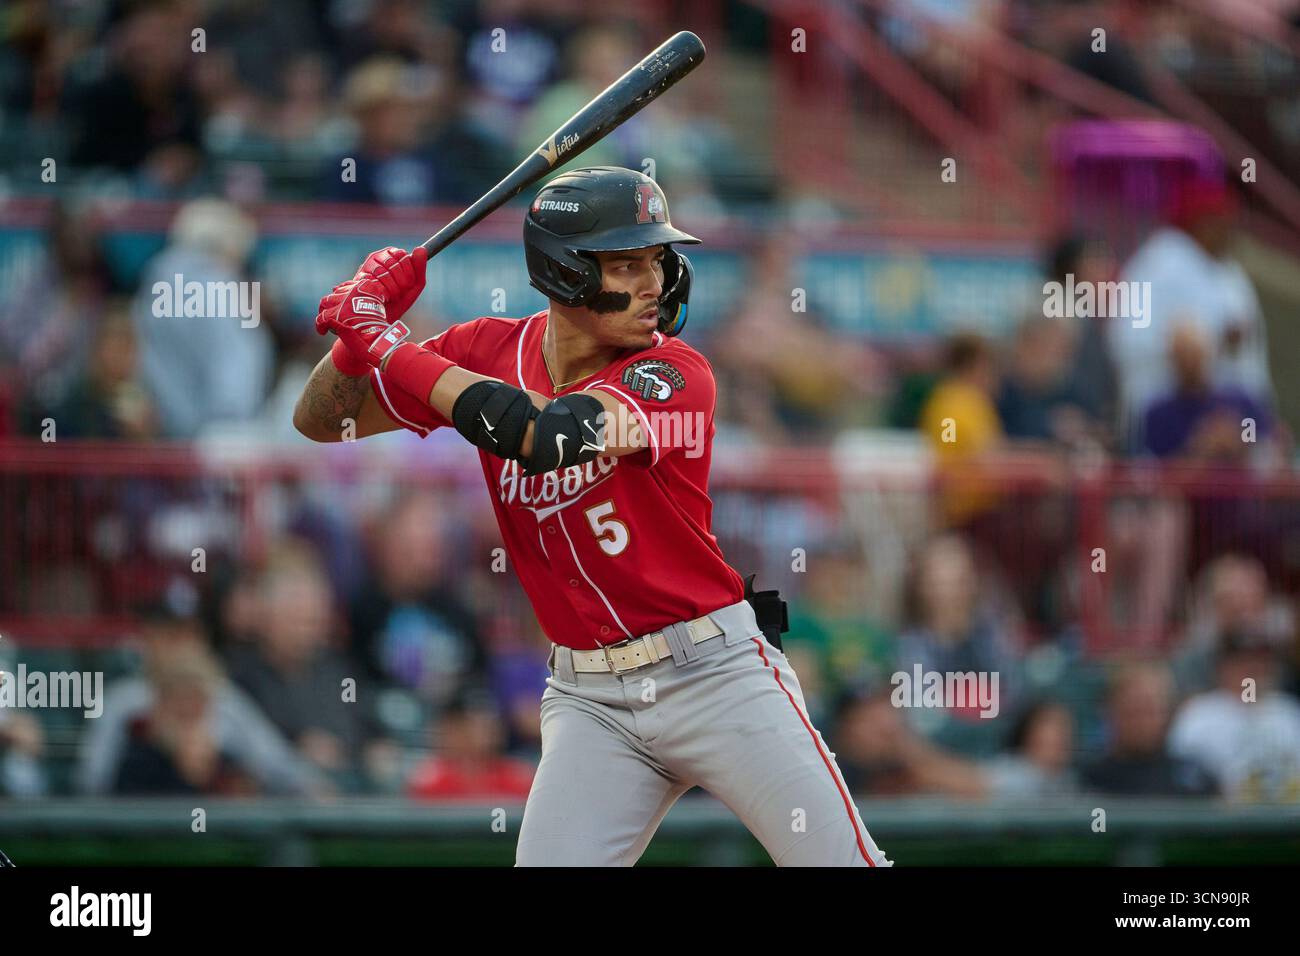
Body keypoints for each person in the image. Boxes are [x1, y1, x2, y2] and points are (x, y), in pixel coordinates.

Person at [294, 166, 892, 866]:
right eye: (628, 264)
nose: (655, 284)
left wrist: (386, 343)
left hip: (716, 674)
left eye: (658, 261)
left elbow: (545, 436)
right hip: (591, 700)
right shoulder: (484, 351)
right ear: (566, 271)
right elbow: (320, 420)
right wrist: (357, 329)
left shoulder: (675, 371)